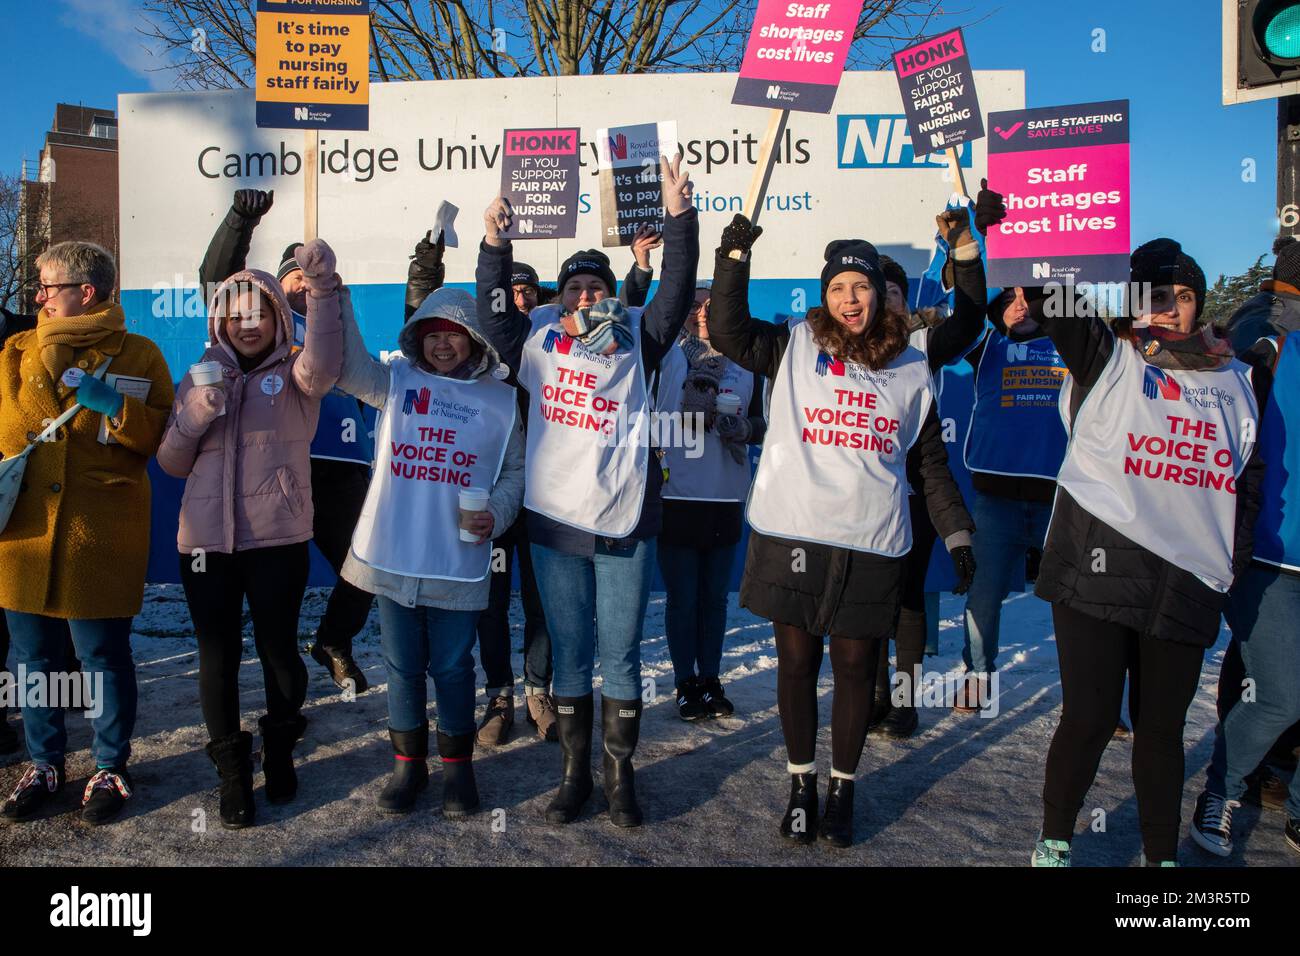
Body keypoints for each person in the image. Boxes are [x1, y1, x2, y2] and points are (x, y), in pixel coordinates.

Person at [707, 215, 975, 848]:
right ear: (823, 296)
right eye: (837, 289)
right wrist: (735, 255)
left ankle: (842, 790)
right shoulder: (795, 344)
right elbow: (725, 329)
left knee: (856, 669)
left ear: (879, 293)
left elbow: (964, 333)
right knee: (797, 663)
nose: (849, 300)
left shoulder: (913, 358)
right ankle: (801, 786)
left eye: (860, 287)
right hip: (794, 531)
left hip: (871, 538)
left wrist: (965, 250)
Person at [476, 154, 699, 827]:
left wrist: (679, 216)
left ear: (610, 294)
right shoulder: (536, 339)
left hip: (626, 522)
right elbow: (492, 320)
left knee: (621, 656)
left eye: (593, 287)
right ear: (558, 296)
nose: (582, 297)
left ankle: (619, 774)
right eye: (572, 287)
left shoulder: (641, 334)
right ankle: (574, 775)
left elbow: (679, 288)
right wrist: (494, 244)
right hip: (555, 526)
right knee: (570, 656)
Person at [1030, 239, 1266, 867]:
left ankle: (1162, 862)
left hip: (1185, 583)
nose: (1169, 310)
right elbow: (1055, 297)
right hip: (1097, 570)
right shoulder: (1107, 359)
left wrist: (1229, 564)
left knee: (1162, 731)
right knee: (1089, 715)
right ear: (1132, 301)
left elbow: (1248, 486)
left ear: (1199, 307)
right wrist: (1018, 235)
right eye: (1155, 296)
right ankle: (1055, 842)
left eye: (1183, 298)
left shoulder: (1237, 379)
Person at [157, 241, 342, 829]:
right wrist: (193, 417)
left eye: (259, 311)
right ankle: (233, 774)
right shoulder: (196, 377)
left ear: (277, 318)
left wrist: (322, 289)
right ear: (221, 320)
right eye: (236, 313)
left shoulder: (296, 374)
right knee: (218, 657)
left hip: (276, 538)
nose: (248, 322)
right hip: (206, 545)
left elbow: (328, 360)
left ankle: (282, 747)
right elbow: (170, 463)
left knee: (278, 650)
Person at [0, 241, 174, 825]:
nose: (39, 297)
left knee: (100, 655)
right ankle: (44, 763)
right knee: (32, 660)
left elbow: (159, 439)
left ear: (87, 291)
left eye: (49, 287)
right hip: (24, 535)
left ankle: (108, 765)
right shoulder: (15, 351)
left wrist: (112, 409)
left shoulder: (138, 354)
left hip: (99, 533)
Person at [334, 285, 524, 815]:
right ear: (419, 341)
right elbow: (347, 366)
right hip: (397, 549)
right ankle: (407, 766)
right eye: (433, 335)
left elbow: (513, 472)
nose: (442, 345)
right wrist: (332, 295)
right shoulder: (396, 381)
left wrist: (498, 512)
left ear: (473, 341)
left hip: (458, 557)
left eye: (454, 336)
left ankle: (458, 771)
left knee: (454, 666)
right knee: (401, 664)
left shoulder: (501, 398)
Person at [199, 189, 374, 693]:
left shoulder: (339, 324)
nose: (303, 283)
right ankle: (280, 677)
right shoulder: (266, 323)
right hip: (283, 463)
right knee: (279, 582)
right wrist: (239, 222)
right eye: (294, 274)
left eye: (310, 274)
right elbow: (217, 282)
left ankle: (333, 640)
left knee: (367, 562)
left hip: (340, 463)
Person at [867, 186, 1003, 738]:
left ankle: (902, 702)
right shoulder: (837, 348)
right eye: (880, 293)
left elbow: (969, 316)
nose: (888, 302)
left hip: (917, 493)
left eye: (896, 292)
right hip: (862, 495)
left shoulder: (925, 342)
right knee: (867, 601)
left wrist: (964, 248)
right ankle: (872, 697)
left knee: (907, 599)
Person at [1190, 239, 1300, 858]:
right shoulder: (1268, 338)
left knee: (1267, 680)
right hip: (1273, 552)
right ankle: (1223, 789)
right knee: (1282, 691)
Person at [654, 279, 765, 720]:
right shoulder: (668, 355)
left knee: (715, 598)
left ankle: (711, 679)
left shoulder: (746, 359)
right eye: (694, 304)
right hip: (676, 493)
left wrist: (747, 430)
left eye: (710, 305)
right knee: (683, 598)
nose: (702, 311)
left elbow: (766, 419)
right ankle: (685, 682)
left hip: (725, 493)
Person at [954, 285, 1067, 711]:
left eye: (1030, 296)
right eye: (1008, 300)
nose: (1020, 305)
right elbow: (958, 321)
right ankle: (978, 675)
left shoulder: (1071, 345)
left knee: (1074, 601)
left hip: (1060, 498)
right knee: (984, 593)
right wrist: (960, 253)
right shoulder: (987, 348)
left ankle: (1089, 691)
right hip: (996, 498)